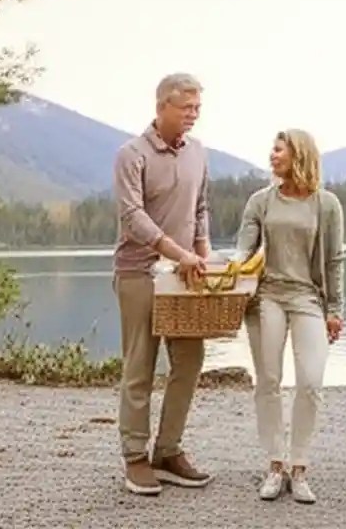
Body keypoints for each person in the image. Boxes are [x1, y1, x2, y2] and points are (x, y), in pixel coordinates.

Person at [111, 72, 214, 496]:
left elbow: (202, 205)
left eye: (197, 108)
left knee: (189, 361)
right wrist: (178, 251)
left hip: (185, 275)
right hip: (138, 273)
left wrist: (202, 250)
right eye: (185, 108)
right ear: (161, 107)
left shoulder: (199, 153)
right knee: (140, 365)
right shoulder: (130, 155)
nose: (193, 115)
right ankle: (135, 458)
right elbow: (133, 217)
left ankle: (167, 451)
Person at [234, 128, 345, 504]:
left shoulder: (326, 204)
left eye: (278, 149)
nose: (272, 155)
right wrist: (219, 269)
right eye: (272, 149)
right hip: (268, 298)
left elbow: (333, 261)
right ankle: (275, 465)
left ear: (298, 154)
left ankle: (300, 468)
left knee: (311, 382)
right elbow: (243, 252)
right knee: (268, 381)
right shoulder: (260, 202)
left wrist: (335, 310)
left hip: (308, 299)